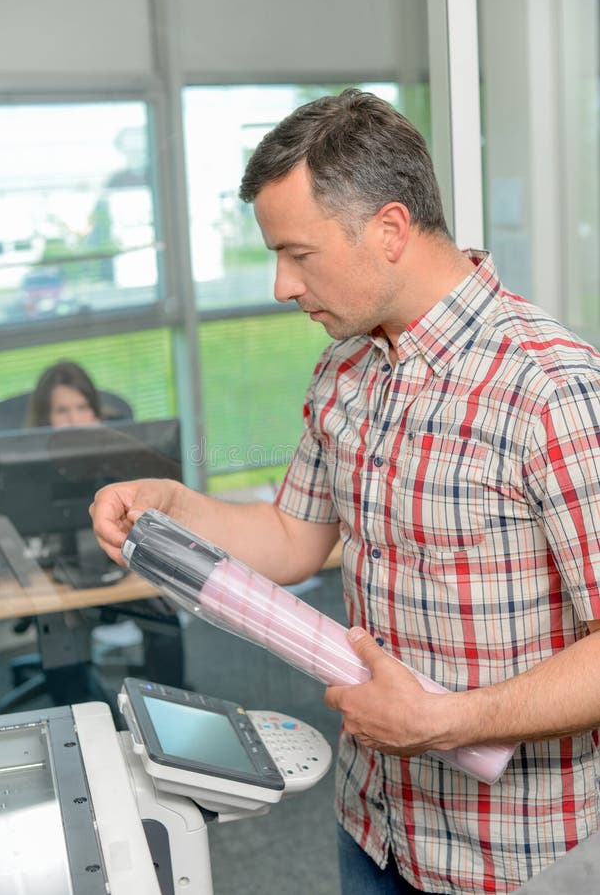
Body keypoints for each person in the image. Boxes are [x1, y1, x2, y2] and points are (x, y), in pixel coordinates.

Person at [90, 89, 600, 894]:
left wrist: (449, 721)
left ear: (389, 230)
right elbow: (292, 539)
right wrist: (175, 505)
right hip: (373, 826)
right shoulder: (344, 368)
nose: (280, 287)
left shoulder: (550, 390)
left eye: (298, 253)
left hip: (510, 858)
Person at [24, 360, 185, 701]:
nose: (75, 419)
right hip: (56, 568)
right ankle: (79, 714)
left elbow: (165, 487)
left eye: (83, 408)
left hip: (120, 558)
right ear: (44, 418)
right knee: (58, 629)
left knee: (166, 619)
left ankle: (171, 702)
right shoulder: (28, 459)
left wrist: (109, 452)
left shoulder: (119, 445)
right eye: (62, 411)